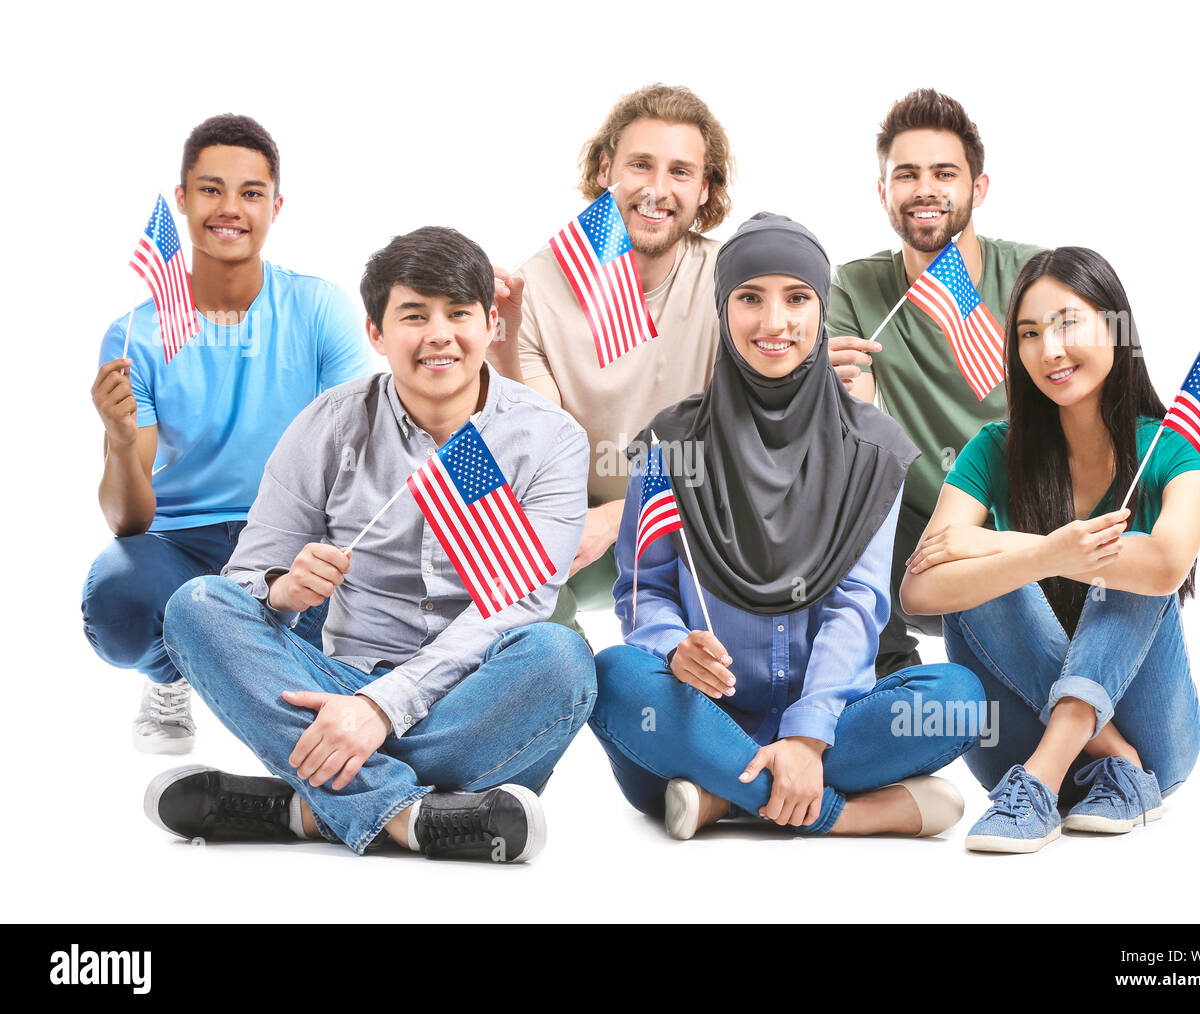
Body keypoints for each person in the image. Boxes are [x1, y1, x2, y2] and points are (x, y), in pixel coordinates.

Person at [145, 227, 594, 863]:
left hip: (471, 696)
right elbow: (243, 577)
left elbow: (516, 603)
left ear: (491, 324)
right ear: (377, 334)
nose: (439, 334)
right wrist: (281, 590)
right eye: (415, 315)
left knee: (562, 658)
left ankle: (305, 807)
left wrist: (380, 712)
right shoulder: (330, 423)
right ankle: (411, 813)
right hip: (341, 681)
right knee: (196, 606)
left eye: (459, 313)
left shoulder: (548, 439)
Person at [589, 213, 985, 840]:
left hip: (831, 727)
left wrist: (807, 731)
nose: (775, 323)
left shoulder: (873, 449)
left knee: (957, 698)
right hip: (699, 720)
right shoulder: (672, 442)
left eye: (797, 298)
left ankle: (725, 800)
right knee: (613, 676)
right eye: (750, 298)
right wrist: (673, 647)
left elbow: (859, 603)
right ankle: (842, 813)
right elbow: (645, 591)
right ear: (724, 311)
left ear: (822, 310)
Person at [900, 247, 1200, 854]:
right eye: (1029, 333)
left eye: (1069, 323)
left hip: (1154, 743)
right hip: (1014, 742)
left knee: (1135, 555)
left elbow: (1169, 563)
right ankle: (1102, 760)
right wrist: (1042, 556)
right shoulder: (992, 450)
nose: (1050, 350)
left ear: (1114, 327)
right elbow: (919, 590)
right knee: (991, 576)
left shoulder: (1170, 446)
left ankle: (1055, 773)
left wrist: (1038, 548)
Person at [84, 114, 371, 753]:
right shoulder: (138, 335)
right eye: (211, 190)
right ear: (183, 199)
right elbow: (128, 523)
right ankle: (172, 674)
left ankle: (248, 670)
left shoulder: (319, 309)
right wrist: (123, 441)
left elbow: (358, 451)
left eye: (250, 193)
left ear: (275, 205)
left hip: (295, 535)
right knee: (118, 600)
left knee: (349, 634)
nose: (230, 209)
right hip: (183, 544)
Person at [487, 83, 735, 636]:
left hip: (692, 522)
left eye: (680, 172)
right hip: (571, 527)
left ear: (704, 189)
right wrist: (502, 350)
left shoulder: (731, 284)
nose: (656, 189)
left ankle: (677, 676)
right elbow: (536, 438)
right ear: (606, 169)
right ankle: (561, 673)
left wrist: (617, 516)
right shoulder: (542, 284)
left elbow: (741, 454)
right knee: (480, 502)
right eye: (640, 165)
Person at [828, 88, 1041, 676]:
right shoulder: (852, 285)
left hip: (1024, 529)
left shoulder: (1032, 276)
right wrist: (827, 387)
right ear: (884, 193)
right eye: (907, 174)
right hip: (915, 542)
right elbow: (855, 418)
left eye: (944, 173)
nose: (925, 189)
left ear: (978, 188)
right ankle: (889, 687)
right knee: (827, 469)